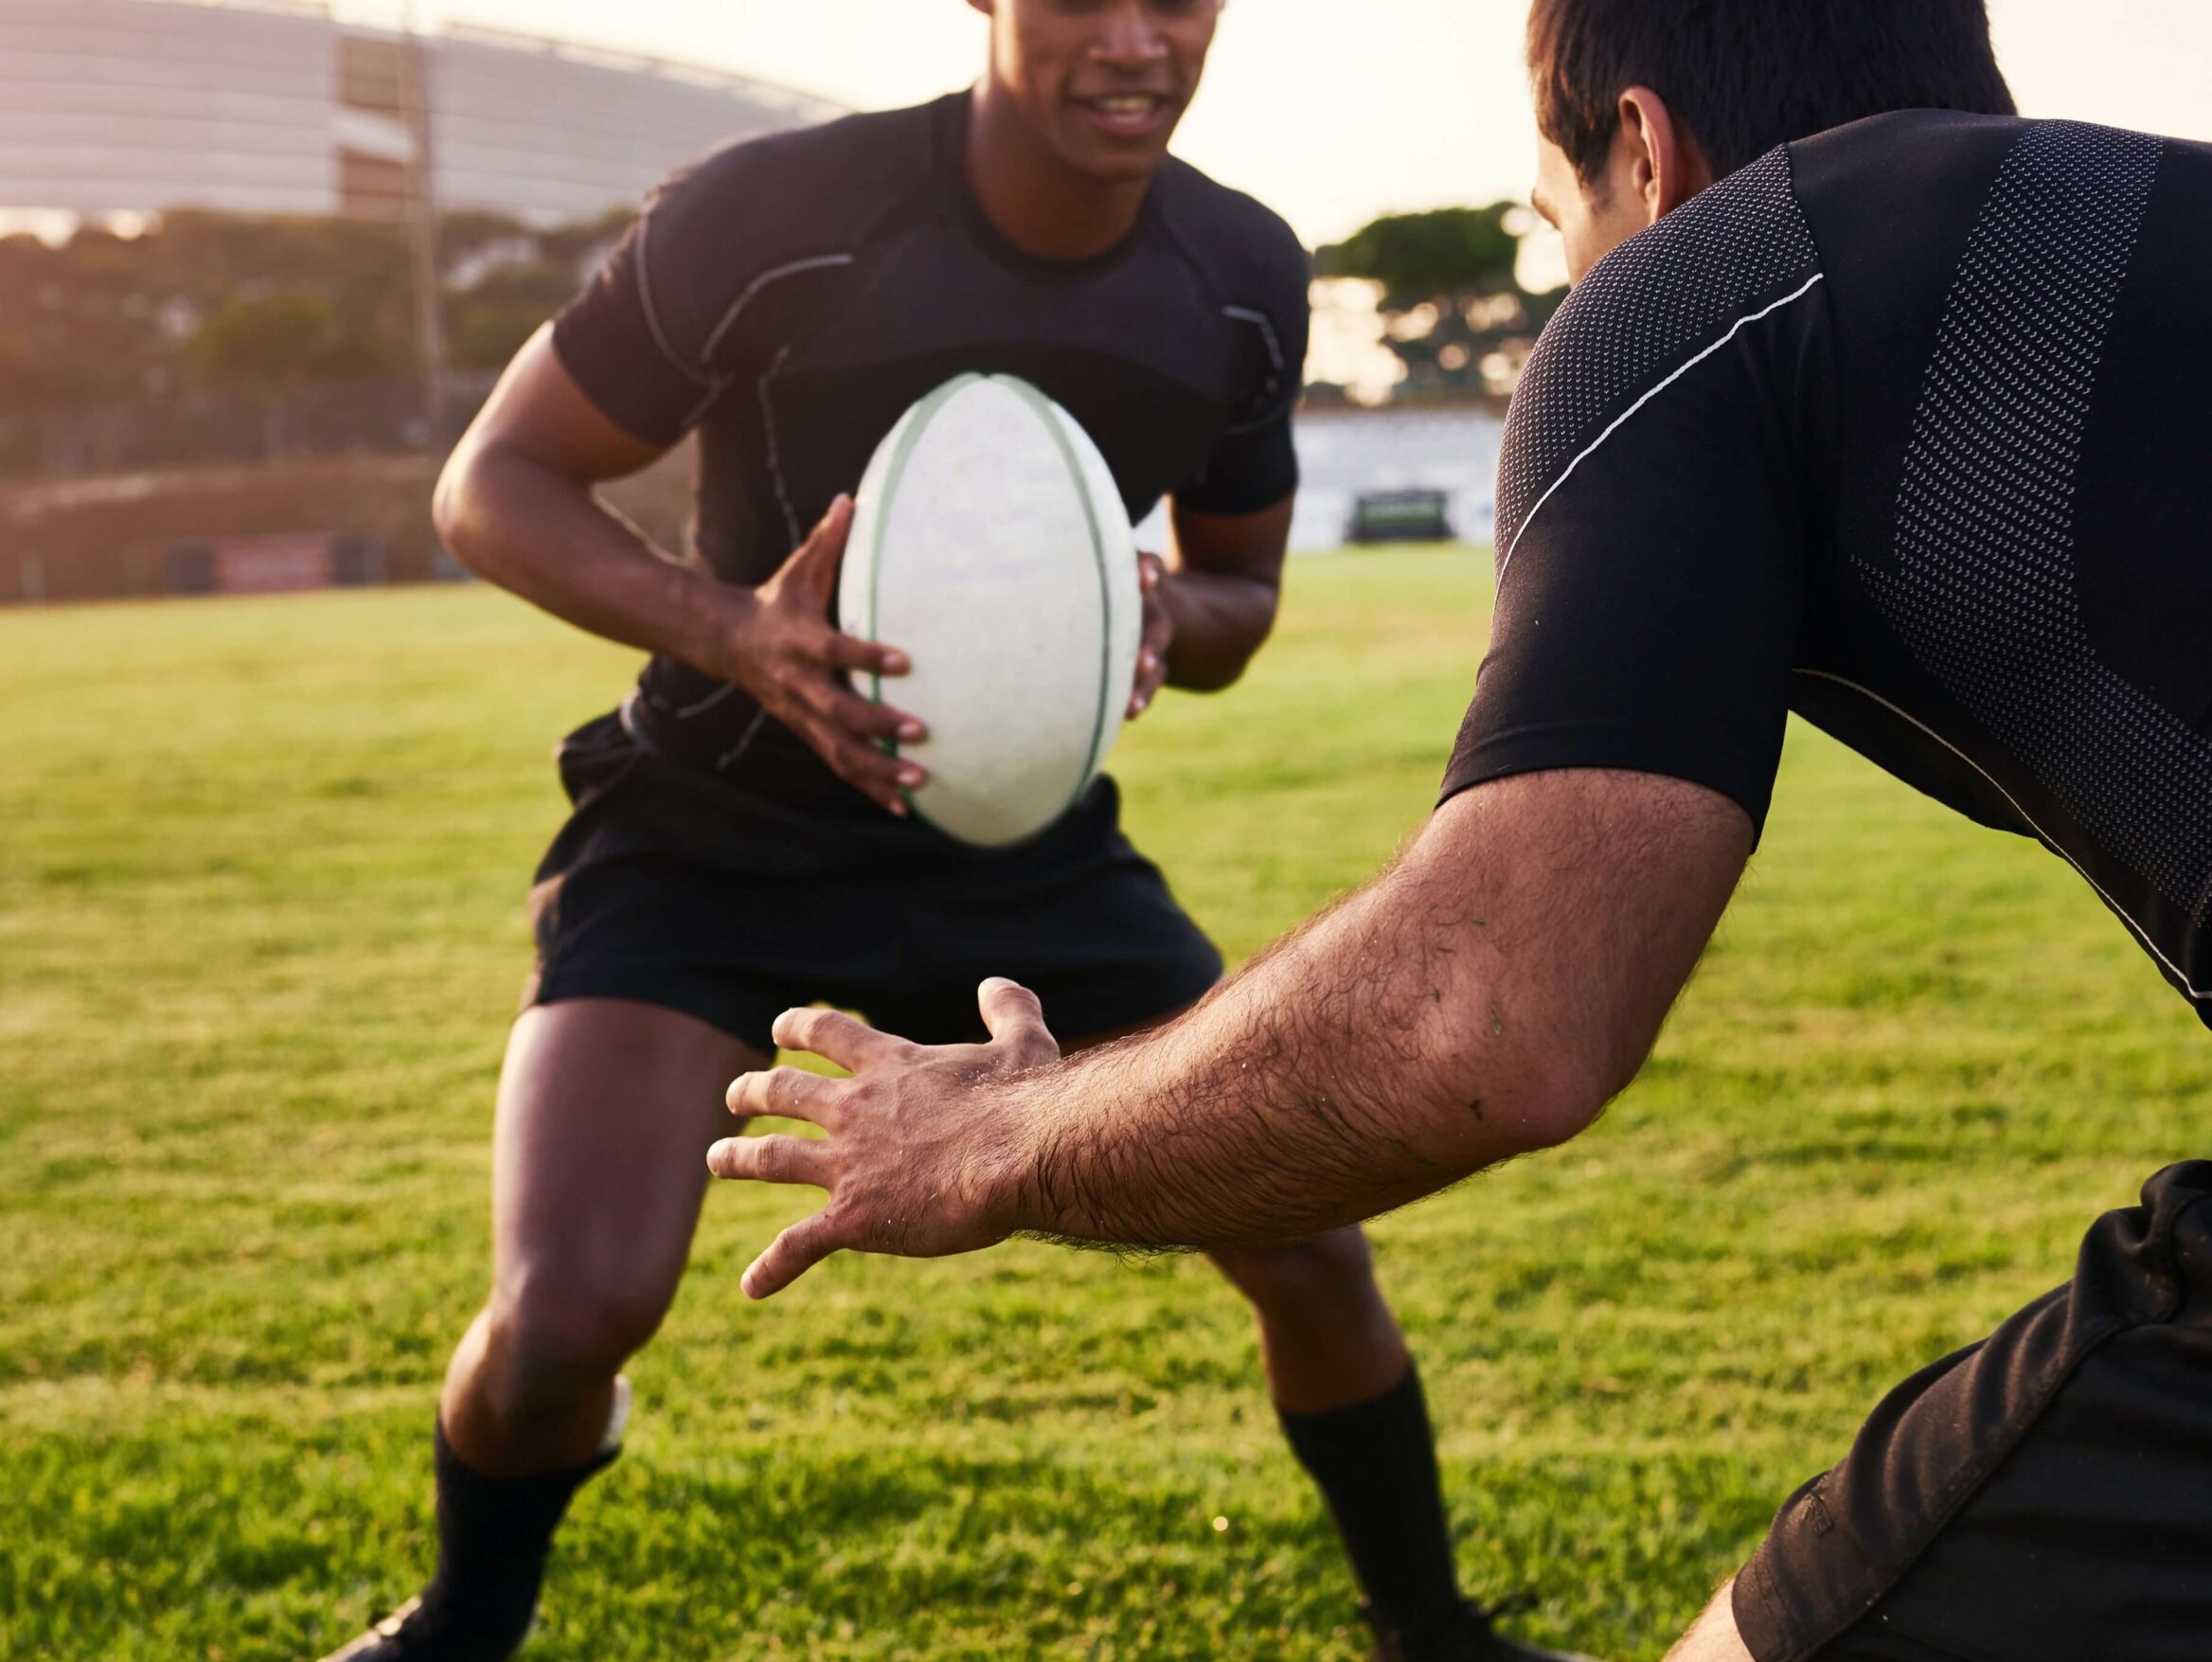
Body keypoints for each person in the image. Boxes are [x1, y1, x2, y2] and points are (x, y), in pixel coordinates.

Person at [707, 2, 2212, 1658]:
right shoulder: (2151, 207)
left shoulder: (1708, 280)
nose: (1581, 275)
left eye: (1561, 221)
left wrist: (996, 1136)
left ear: (1645, 151)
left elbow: (1491, 1016)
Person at [322, 4, 1578, 1659]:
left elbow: (1239, 601)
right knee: (568, 1316)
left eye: (1178, 0)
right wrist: (740, 636)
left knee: (1309, 1246)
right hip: (708, 832)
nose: (1135, 40)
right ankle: (458, 1630)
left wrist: (1147, 610)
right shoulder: (774, 214)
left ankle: (1433, 1635)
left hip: (1030, 855)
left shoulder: (1241, 273)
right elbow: (494, 482)